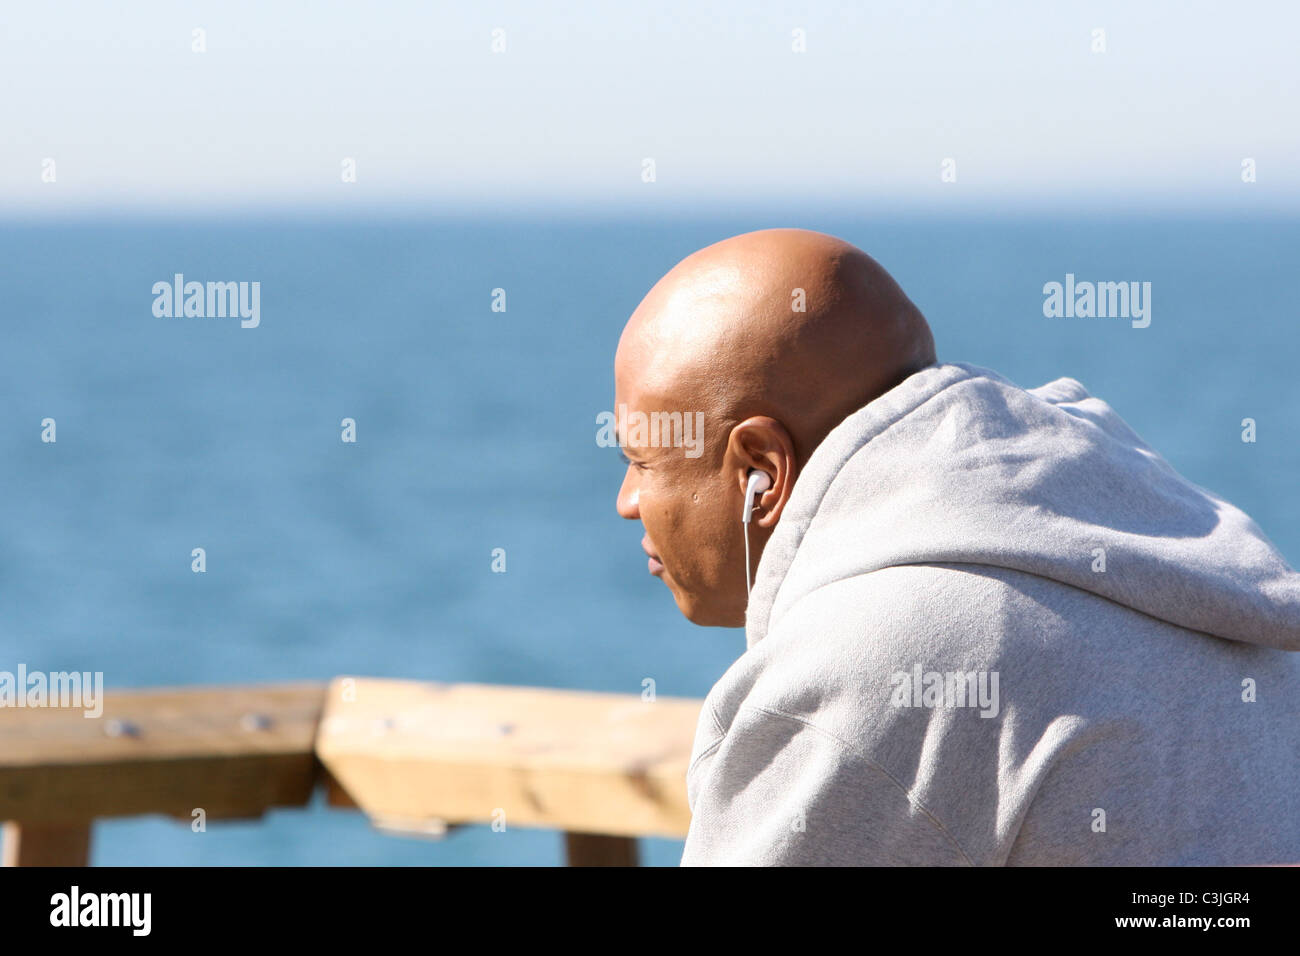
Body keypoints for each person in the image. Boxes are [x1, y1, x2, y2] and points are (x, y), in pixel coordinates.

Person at [612, 228, 1300, 865]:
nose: (626, 501)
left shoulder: (863, 665)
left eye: (641, 461)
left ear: (762, 469)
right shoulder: (1159, 546)